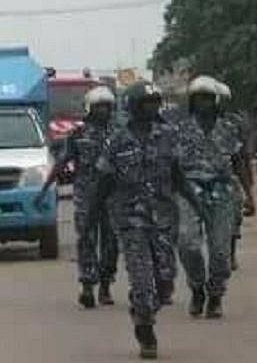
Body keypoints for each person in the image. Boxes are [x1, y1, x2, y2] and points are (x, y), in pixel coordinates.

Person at [97, 81, 192, 360]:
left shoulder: (168, 135)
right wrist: (91, 215)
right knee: (141, 280)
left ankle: (145, 308)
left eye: (155, 102)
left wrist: (199, 206)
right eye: (146, 103)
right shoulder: (117, 141)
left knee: (165, 282)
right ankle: (145, 328)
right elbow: (104, 180)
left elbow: (178, 176)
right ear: (134, 106)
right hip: (131, 220)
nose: (152, 108)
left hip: (164, 219)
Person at [37, 86, 118, 308]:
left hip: (113, 196)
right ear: (90, 108)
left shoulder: (120, 133)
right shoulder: (78, 134)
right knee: (86, 239)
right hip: (86, 194)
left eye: (107, 107)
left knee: (111, 242)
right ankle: (87, 286)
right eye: (99, 107)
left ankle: (105, 285)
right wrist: (45, 189)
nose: (103, 111)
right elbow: (63, 161)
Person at [173, 77, 245, 319]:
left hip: (222, 191)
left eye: (208, 98)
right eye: (199, 98)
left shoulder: (229, 129)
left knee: (221, 252)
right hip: (188, 190)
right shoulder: (180, 129)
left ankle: (215, 295)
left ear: (216, 101)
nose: (204, 103)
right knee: (187, 243)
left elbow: (240, 162)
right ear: (192, 101)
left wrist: (249, 193)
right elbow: (170, 164)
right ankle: (197, 288)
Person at [214, 80, 255, 272]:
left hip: (228, 177)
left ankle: (231, 253)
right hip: (200, 180)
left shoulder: (234, 123)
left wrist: (249, 191)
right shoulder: (191, 126)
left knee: (234, 216)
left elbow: (242, 156)